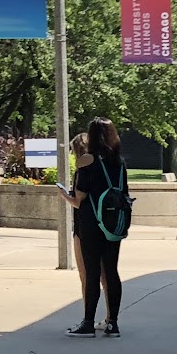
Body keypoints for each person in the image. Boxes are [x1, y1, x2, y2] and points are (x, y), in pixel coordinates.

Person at [56, 117, 129, 338]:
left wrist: (64, 195)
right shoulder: (119, 162)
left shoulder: (87, 160)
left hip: (90, 223)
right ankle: (112, 323)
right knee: (111, 271)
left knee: (91, 272)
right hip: (113, 223)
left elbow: (79, 199)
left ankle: (88, 323)